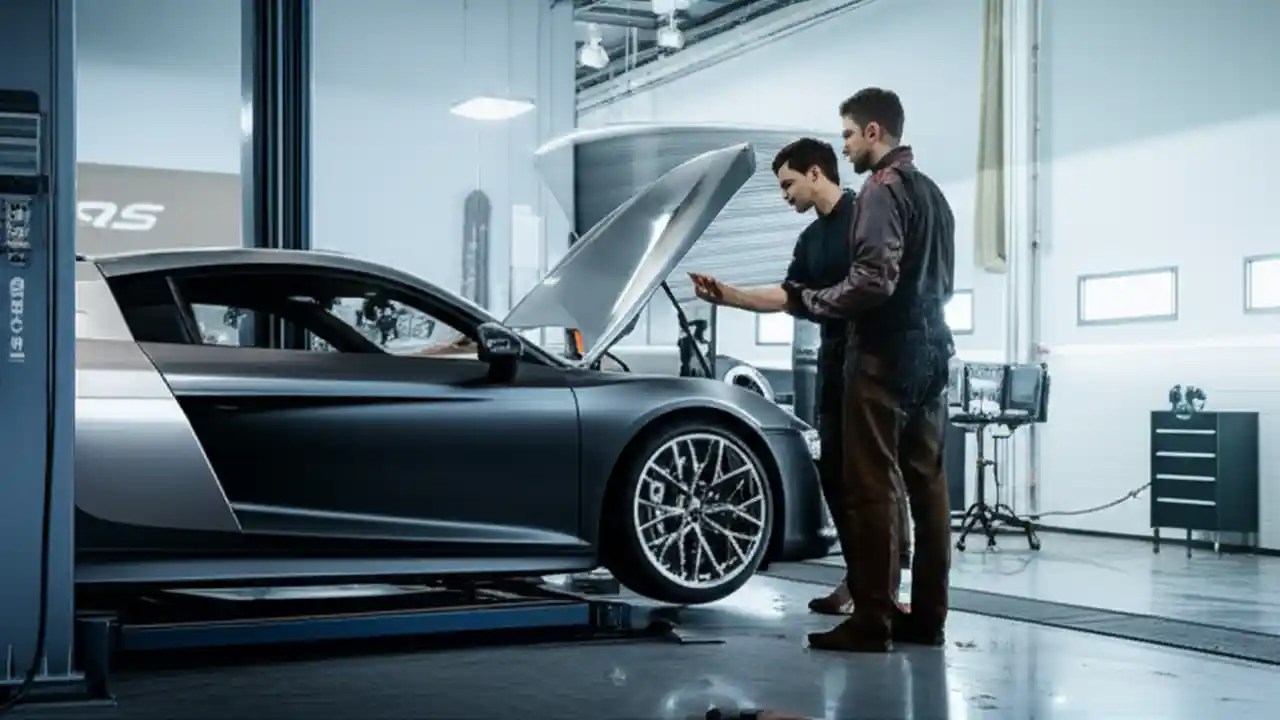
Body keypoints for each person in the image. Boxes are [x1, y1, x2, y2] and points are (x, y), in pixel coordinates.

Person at [687, 137, 910, 616]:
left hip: (875, 365)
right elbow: (790, 296)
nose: (784, 195)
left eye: (788, 184)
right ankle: (859, 579)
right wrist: (730, 295)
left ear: (815, 173)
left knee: (875, 481)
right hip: (834, 368)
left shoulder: (866, 216)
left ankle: (885, 591)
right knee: (835, 475)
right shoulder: (810, 241)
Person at [782, 88, 956, 653]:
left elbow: (873, 281)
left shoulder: (881, 191)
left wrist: (815, 302)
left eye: (849, 136)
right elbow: (942, 282)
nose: (847, 147)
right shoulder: (933, 193)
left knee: (871, 489)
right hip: (935, 352)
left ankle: (872, 621)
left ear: (874, 132)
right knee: (928, 491)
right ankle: (926, 619)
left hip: (883, 354)